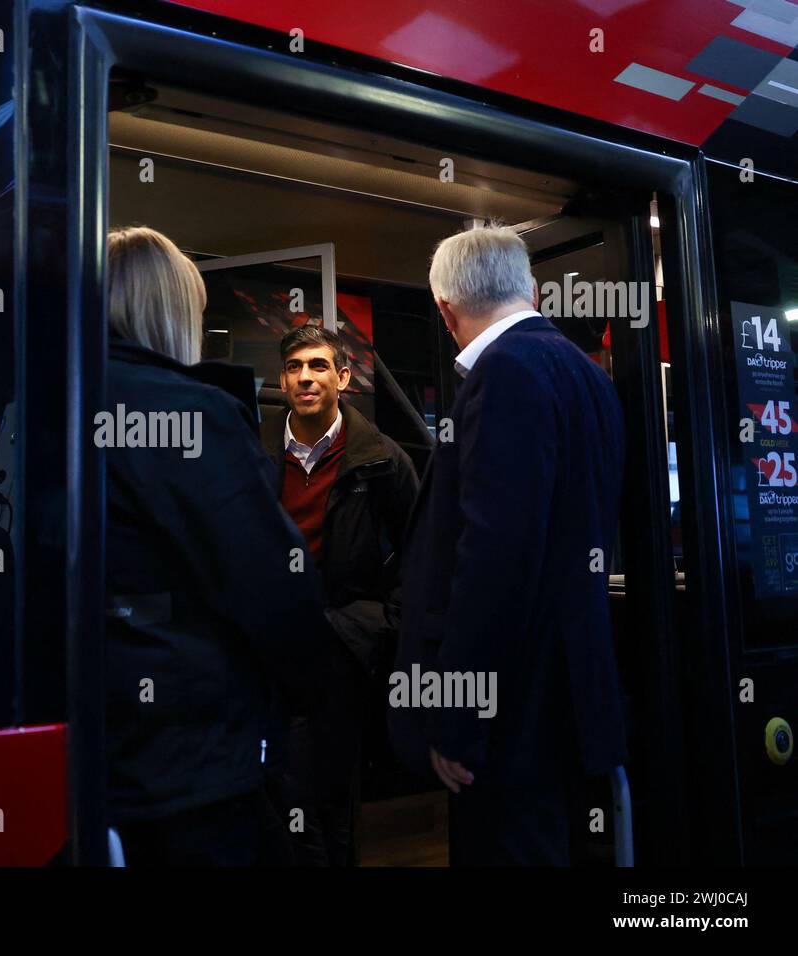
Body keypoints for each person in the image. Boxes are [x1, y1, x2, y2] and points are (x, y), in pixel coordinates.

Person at [389, 224, 626, 866]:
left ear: (445, 309)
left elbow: (495, 559)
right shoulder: (589, 376)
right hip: (567, 695)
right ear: (534, 289)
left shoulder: (505, 374)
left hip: (512, 712)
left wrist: (460, 713)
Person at [102, 226, 333, 866]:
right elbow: (273, 588)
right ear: (172, 313)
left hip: (93, 752)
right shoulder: (191, 414)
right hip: (191, 757)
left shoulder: (45, 400)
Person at [259, 325, 419, 866]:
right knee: (276, 792)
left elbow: (420, 553)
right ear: (282, 380)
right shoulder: (251, 450)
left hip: (341, 645)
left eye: (319, 365)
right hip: (269, 646)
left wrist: (378, 625)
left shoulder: (382, 459)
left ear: (343, 377)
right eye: (295, 367)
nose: (306, 377)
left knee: (328, 795)